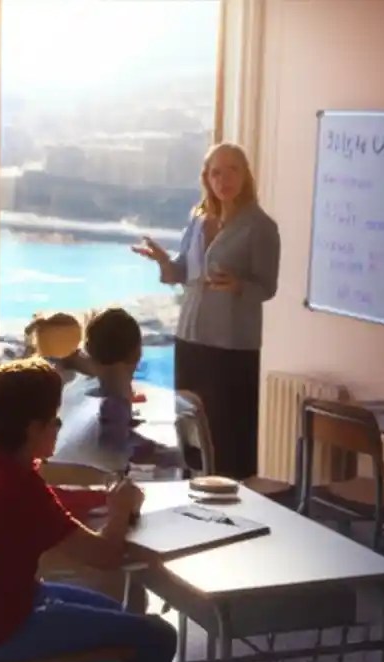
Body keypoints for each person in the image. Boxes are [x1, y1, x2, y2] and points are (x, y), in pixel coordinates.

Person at [0, 358, 176, 662]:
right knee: (157, 636)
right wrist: (119, 511)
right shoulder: (20, 488)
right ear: (33, 429)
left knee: (121, 620)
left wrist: (100, 500)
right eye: (54, 420)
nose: (59, 426)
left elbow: (45, 508)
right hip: (6, 632)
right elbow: (105, 556)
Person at [132, 142, 280, 479]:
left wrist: (239, 285)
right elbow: (182, 273)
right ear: (206, 178)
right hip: (190, 338)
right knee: (190, 433)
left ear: (245, 175)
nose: (224, 180)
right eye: (216, 173)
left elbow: (267, 287)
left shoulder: (260, 226)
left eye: (232, 170)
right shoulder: (198, 220)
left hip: (231, 345)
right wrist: (164, 262)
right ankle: (191, 498)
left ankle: (235, 502)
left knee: (227, 439)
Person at [51, 308, 179, 475]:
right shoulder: (113, 401)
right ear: (137, 353)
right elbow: (114, 451)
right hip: (92, 483)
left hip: (55, 475)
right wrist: (172, 456)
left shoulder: (76, 386)